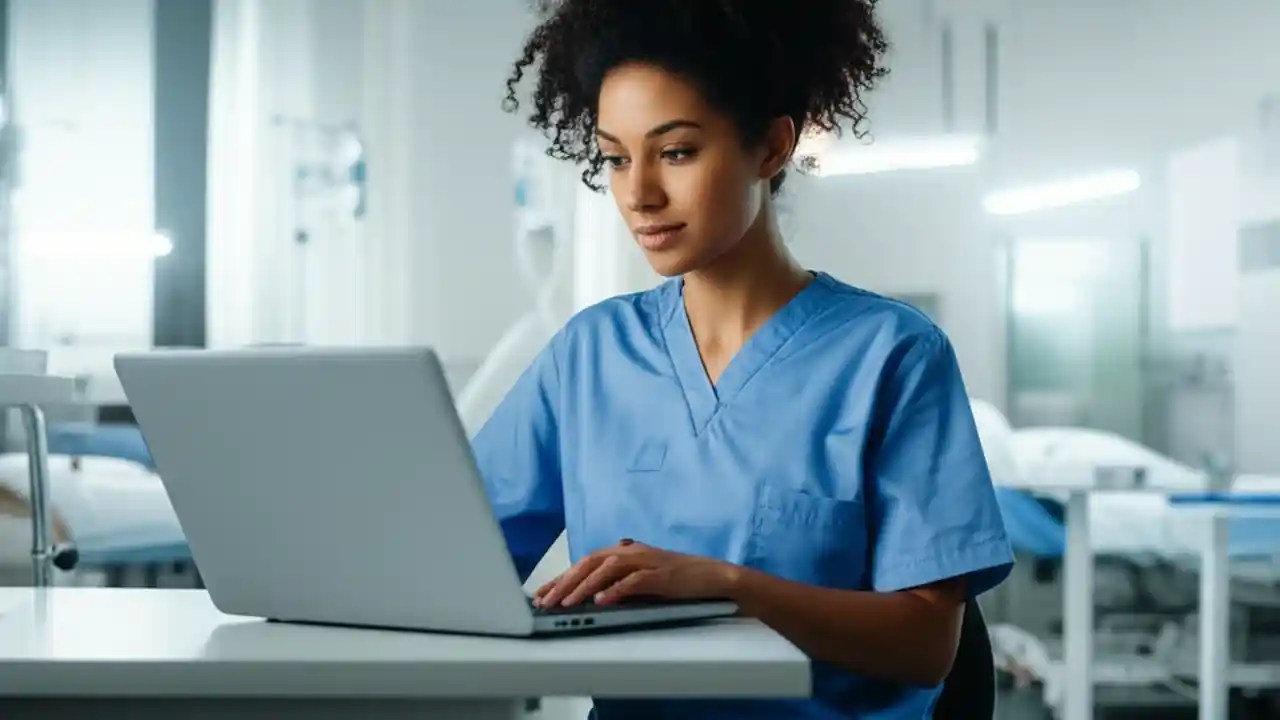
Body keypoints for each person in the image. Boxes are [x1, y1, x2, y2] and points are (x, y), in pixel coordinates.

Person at [474, 1, 1014, 717]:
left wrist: (732, 585)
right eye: (614, 158)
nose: (639, 194)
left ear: (770, 147)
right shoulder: (588, 355)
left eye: (676, 152)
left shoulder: (891, 356)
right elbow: (454, 563)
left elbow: (925, 647)